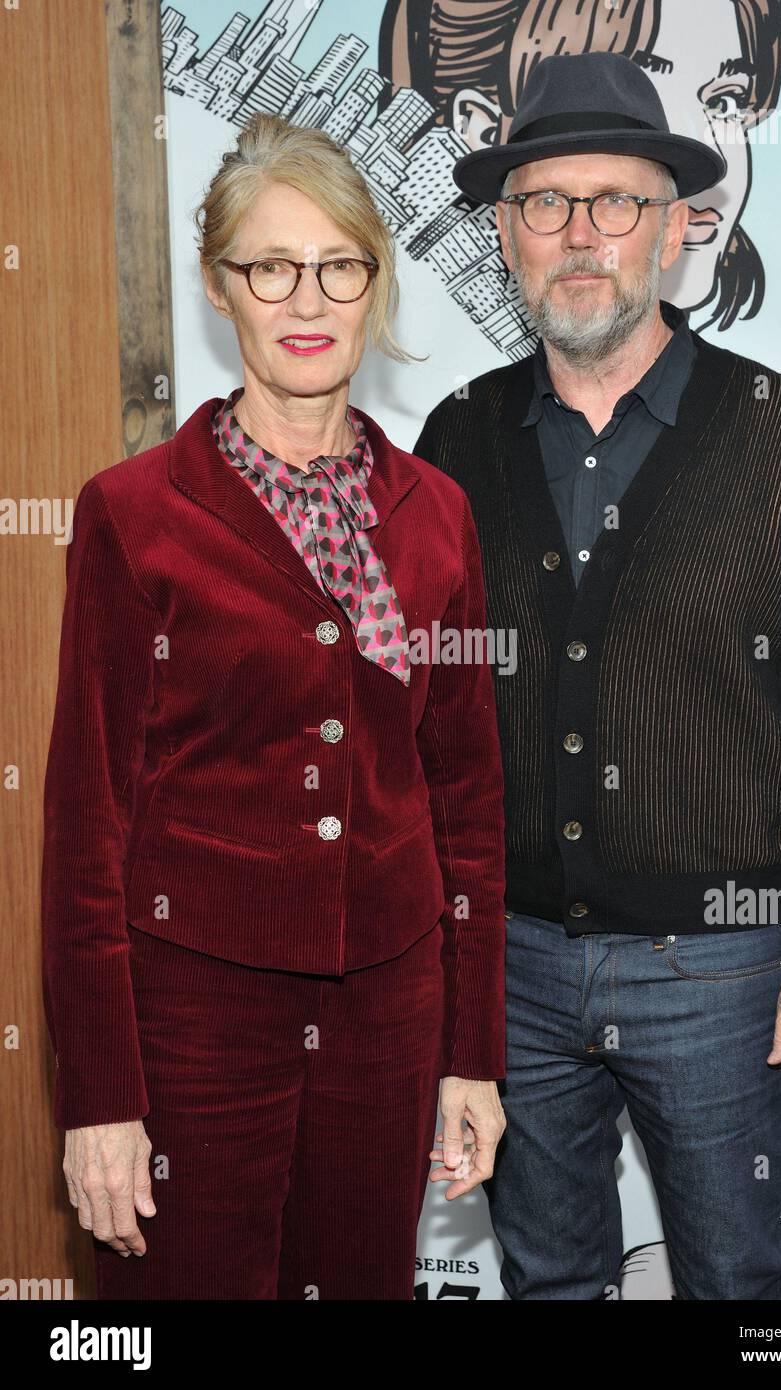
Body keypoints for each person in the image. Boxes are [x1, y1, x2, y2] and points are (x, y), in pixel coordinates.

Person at [413, 50, 781, 1299]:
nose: (579, 234)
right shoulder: (457, 438)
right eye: (543, 202)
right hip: (512, 966)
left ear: (673, 230)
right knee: (548, 1275)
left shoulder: (777, 432)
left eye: (614, 201)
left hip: (726, 973)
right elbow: (419, 703)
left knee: (741, 1282)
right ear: (508, 233)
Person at [40, 112, 507, 1301]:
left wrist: (470, 1056)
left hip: (387, 1017)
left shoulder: (436, 513)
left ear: (373, 281)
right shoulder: (134, 512)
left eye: (339, 265)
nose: (308, 297)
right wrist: (100, 1098)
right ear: (220, 286)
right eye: (270, 266)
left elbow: (466, 801)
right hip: (190, 1016)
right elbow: (85, 825)